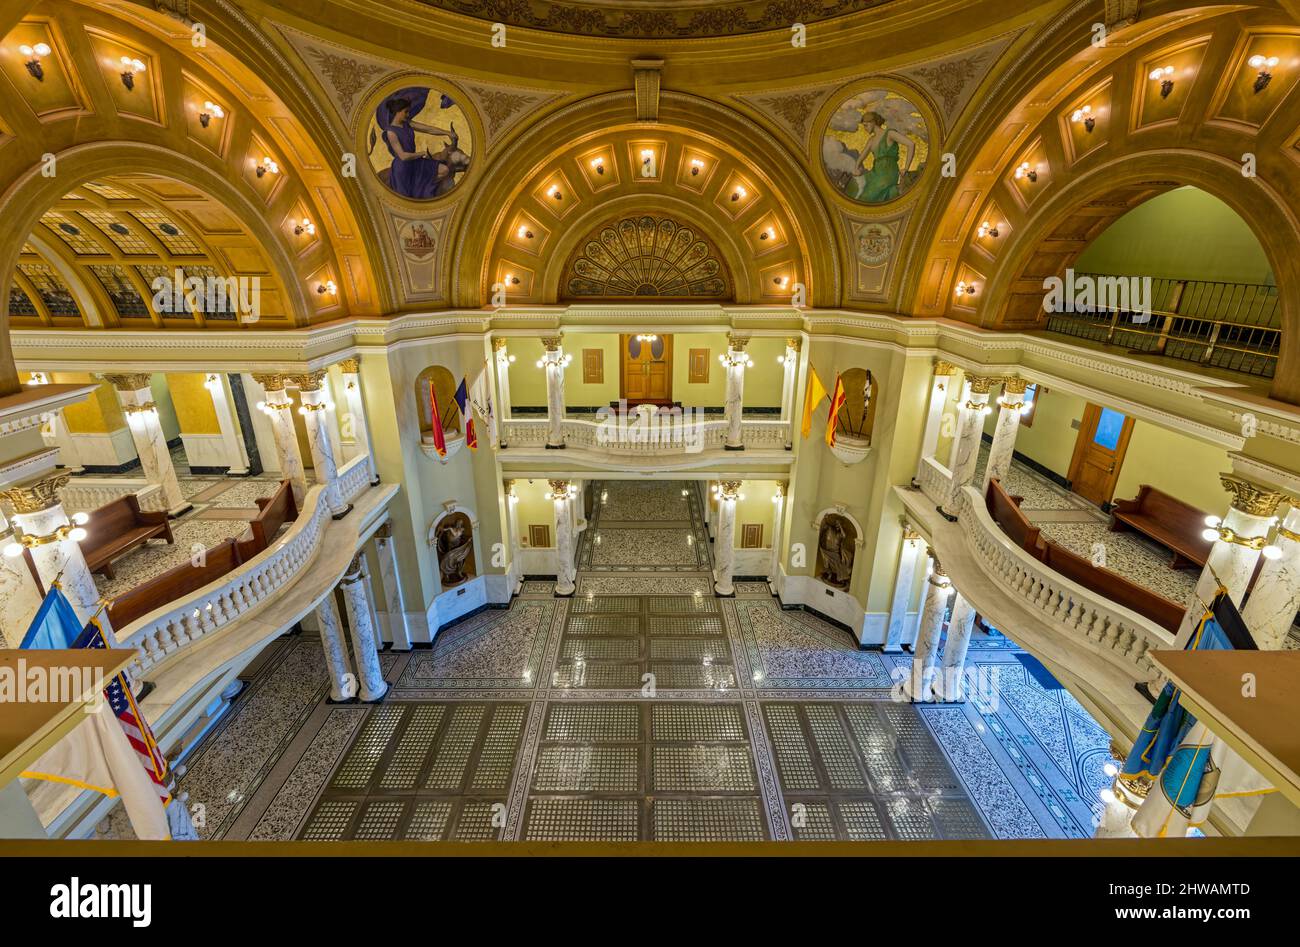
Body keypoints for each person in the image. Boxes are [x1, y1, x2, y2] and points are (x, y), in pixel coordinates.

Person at [376, 93, 464, 199]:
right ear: (398, 112)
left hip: (415, 162)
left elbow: (428, 129)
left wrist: (447, 133)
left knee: (444, 170)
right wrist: (422, 153)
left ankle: (424, 189)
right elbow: (403, 156)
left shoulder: (408, 124)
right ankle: (421, 192)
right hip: (403, 168)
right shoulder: (391, 132)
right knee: (407, 198)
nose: (408, 114)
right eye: (406, 112)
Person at [849, 111, 914, 203]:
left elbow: (911, 144)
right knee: (855, 189)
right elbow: (861, 158)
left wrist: (906, 168)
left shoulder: (889, 133)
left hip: (888, 173)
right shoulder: (871, 140)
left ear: (873, 122)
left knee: (868, 196)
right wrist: (856, 168)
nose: (865, 128)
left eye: (866, 125)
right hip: (875, 172)